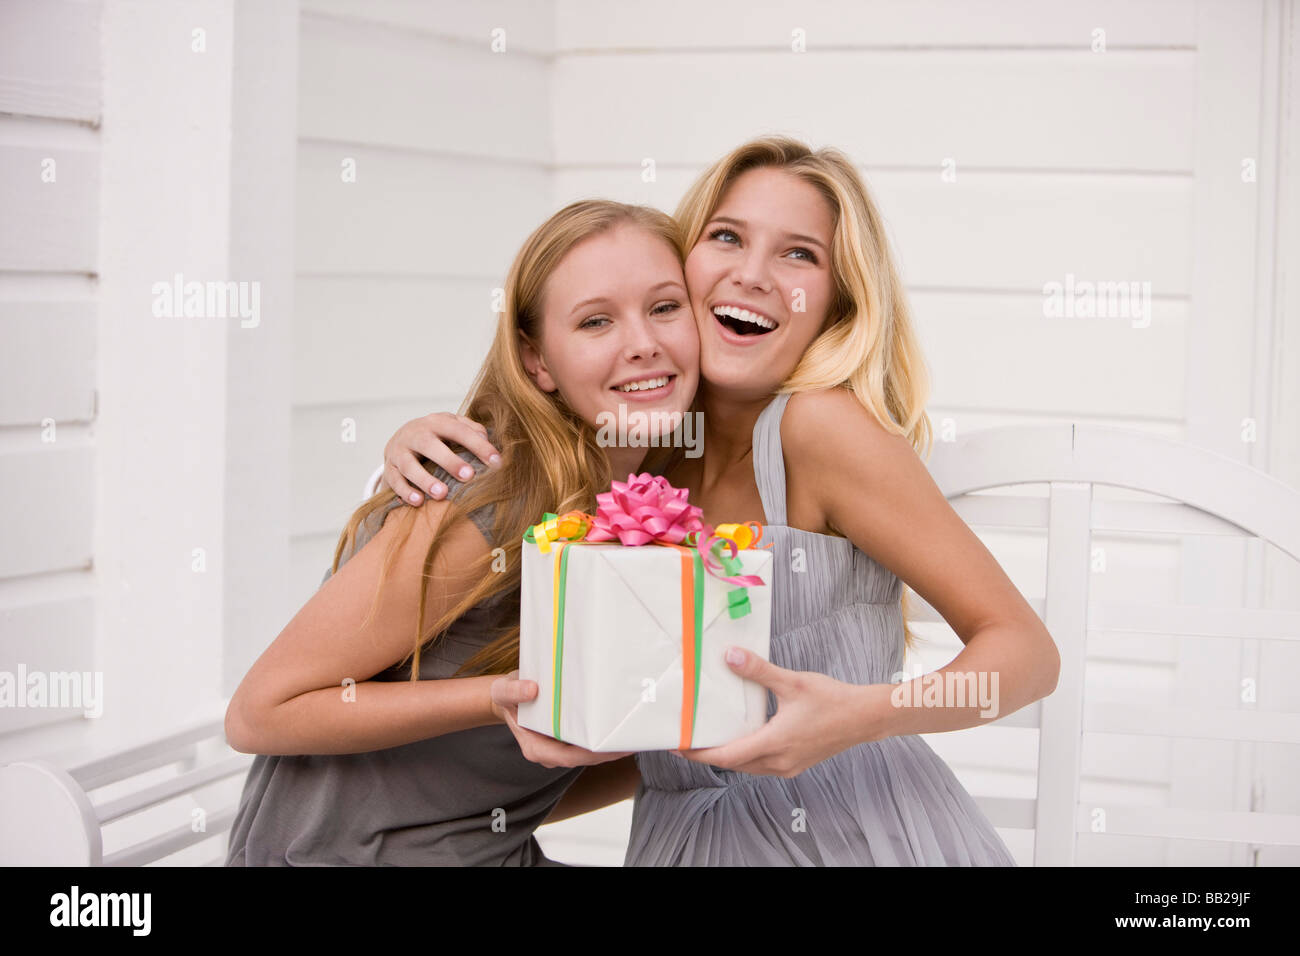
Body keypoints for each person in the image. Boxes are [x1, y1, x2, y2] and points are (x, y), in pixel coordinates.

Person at [379, 136, 1061, 865]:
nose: (753, 273)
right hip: (685, 838)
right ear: (680, 266)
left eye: (800, 254)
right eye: (727, 236)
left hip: (848, 834)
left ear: (837, 304)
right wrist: (412, 439)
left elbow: (1026, 655)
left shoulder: (819, 429)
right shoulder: (652, 446)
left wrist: (860, 716)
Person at [223, 199, 699, 865]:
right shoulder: (489, 507)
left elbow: (517, 782)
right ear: (537, 363)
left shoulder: (655, 512)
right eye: (596, 320)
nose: (642, 342)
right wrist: (496, 699)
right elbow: (257, 714)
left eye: (665, 307)